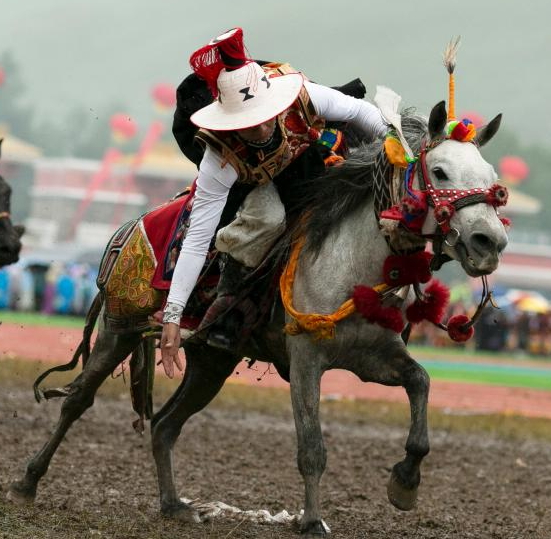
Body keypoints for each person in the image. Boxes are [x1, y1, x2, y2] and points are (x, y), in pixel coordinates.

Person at [160, 28, 388, 378]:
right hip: (252, 181)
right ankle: (231, 299)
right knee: (268, 217)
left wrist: (396, 146)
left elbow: (360, 112)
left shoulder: (304, 95)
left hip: (305, 160)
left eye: (266, 113)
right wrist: (172, 316)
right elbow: (196, 239)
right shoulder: (219, 158)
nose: (262, 127)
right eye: (249, 122)